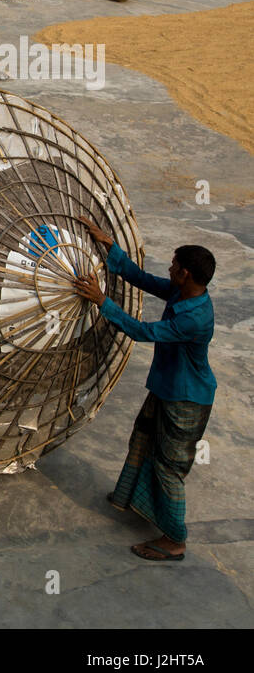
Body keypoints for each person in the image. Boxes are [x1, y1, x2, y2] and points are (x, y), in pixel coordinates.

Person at [72, 215, 217, 562]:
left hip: (186, 398)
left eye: (174, 265)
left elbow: (143, 332)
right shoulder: (185, 292)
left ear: (185, 275)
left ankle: (175, 539)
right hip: (168, 387)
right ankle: (132, 500)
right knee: (143, 439)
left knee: (169, 465)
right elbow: (144, 280)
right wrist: (110, 248)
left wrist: (101, 301)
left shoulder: (193, 317)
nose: (169, 268)